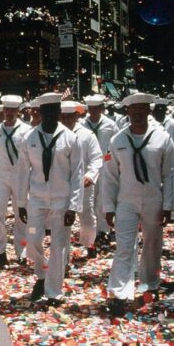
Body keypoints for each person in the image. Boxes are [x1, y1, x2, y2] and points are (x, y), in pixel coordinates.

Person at [101, 93, 174, 316]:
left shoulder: (162, 138)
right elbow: (110, 176)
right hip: (126, 201)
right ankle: (118, 293)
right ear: (128, 112)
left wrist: (168, 205)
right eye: (133, 110)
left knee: (152, 245)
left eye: (142, 110)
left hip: (154, 199)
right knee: (125, 247)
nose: (137, 114)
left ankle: (150, 284)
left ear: (149, 111)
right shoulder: (117, 141)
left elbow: (170, 174)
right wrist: (108, 207)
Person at [17, 93, 83, 303]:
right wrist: (20, 203)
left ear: (59, 112)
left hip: (61, 200)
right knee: (33, 238)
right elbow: (22, 172)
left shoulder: (70, 138)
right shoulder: (29, 138)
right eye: (47, 111)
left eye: (55, 111)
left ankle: (54, 290)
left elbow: (77, 174)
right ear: (40, 113)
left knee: (59, 244)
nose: (51, 115)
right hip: (36, 199)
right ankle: (42, 275)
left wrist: (73, 206)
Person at [0, 95, 30, 268]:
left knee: (21, 214)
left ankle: (22, 251)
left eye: (13, 110)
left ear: (18, 111)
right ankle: (0, 252)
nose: (10, 114)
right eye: (7, 110)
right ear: (3, 111)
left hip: (21, 175)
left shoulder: (27, 131)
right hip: (1, 175)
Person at [61, 101, 103, 259]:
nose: (66, 120)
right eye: (63, 117)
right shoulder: (56, 135)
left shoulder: (87, 135)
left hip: (83, 184)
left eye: (69, 117)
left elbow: (97, 158)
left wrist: (90, 176)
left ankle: (89, 243)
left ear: (76, 116)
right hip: (62, 185)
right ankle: (63, 259)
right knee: (63, 221)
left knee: (86, 217)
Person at [80, 94, 118, 247]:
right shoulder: (82, 124)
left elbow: (114, 145)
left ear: (102, 108)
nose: (94, 111)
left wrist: (110, 161)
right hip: (87, 166)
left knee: (102, 198)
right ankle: (92, 232)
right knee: (89, 200)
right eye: (91, 109)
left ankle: (103, 230)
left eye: (97, 108)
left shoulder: (110, 124)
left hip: (105, 164)